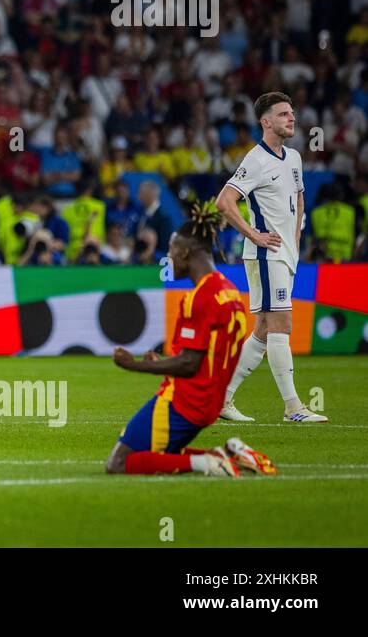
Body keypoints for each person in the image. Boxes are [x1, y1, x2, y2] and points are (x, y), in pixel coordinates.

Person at [105, 204, 277, 477]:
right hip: (209, 402)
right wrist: (164, 362)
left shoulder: (199, 298)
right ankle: (229, 454)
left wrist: (133, 365)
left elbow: (189, 363)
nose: (168, 257)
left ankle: (208, 463)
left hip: (183, 402)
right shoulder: (229, 292)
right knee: (158, 452)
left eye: (172, 251)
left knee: (119, 463)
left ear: (185, 252)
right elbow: (205, 357)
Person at [215, 91, 326, 423]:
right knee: (282, 323)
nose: (291, 118)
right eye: (283, 114)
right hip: (266, 256)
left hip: (285, 255)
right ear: (265, 122)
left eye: (292, 113)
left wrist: (294, 240)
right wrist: (255, 235)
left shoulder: (293, 158)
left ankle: (221, 399)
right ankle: (293, 407)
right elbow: (225, 201)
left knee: (264, 330)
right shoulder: (256, 159)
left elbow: (299, 199)